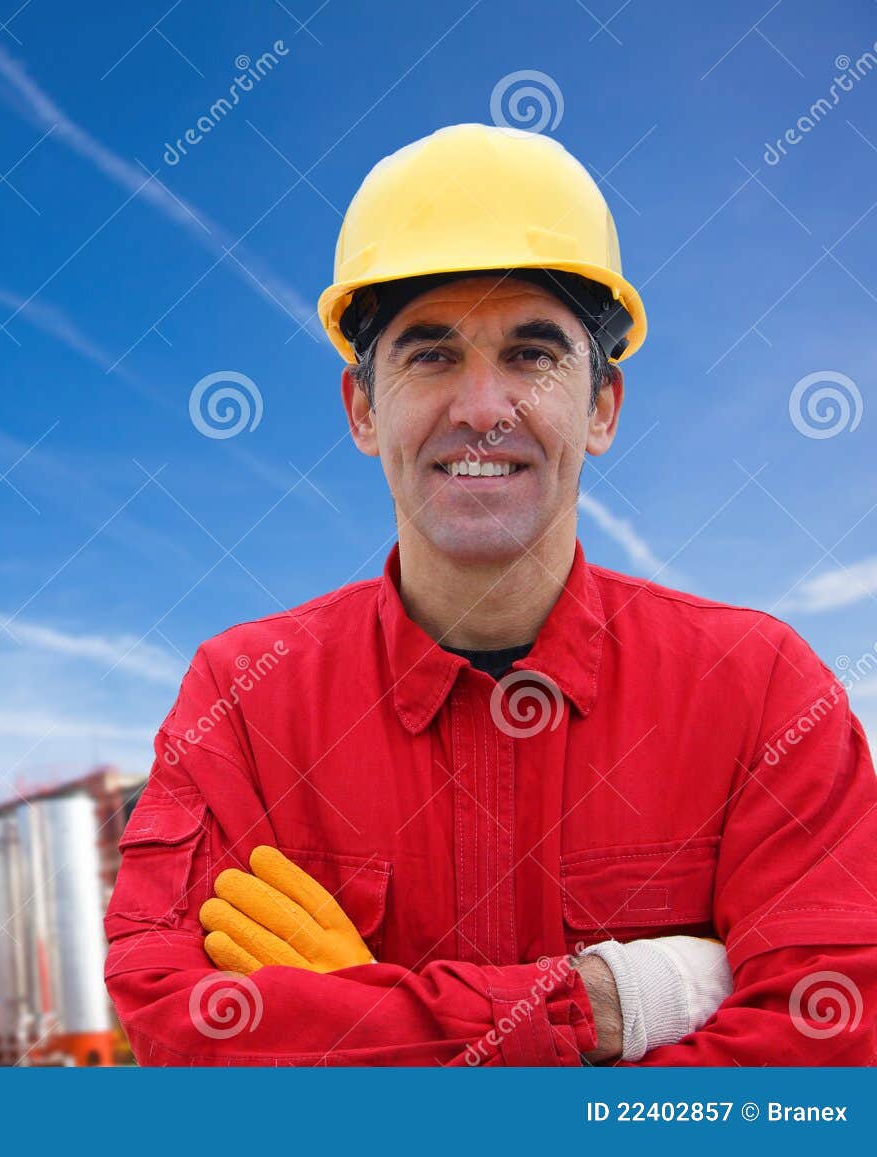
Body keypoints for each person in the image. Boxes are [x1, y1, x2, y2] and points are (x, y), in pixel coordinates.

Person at [103, 123, 877, 1065]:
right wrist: (611, 1003)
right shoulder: (245, 700)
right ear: (361, 408)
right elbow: (179, 1031)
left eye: (532, 354)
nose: (480, 406)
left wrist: (360, 1025)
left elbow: (825, 1049)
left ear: (601, 408)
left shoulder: (759, 690)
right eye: (429, 354)